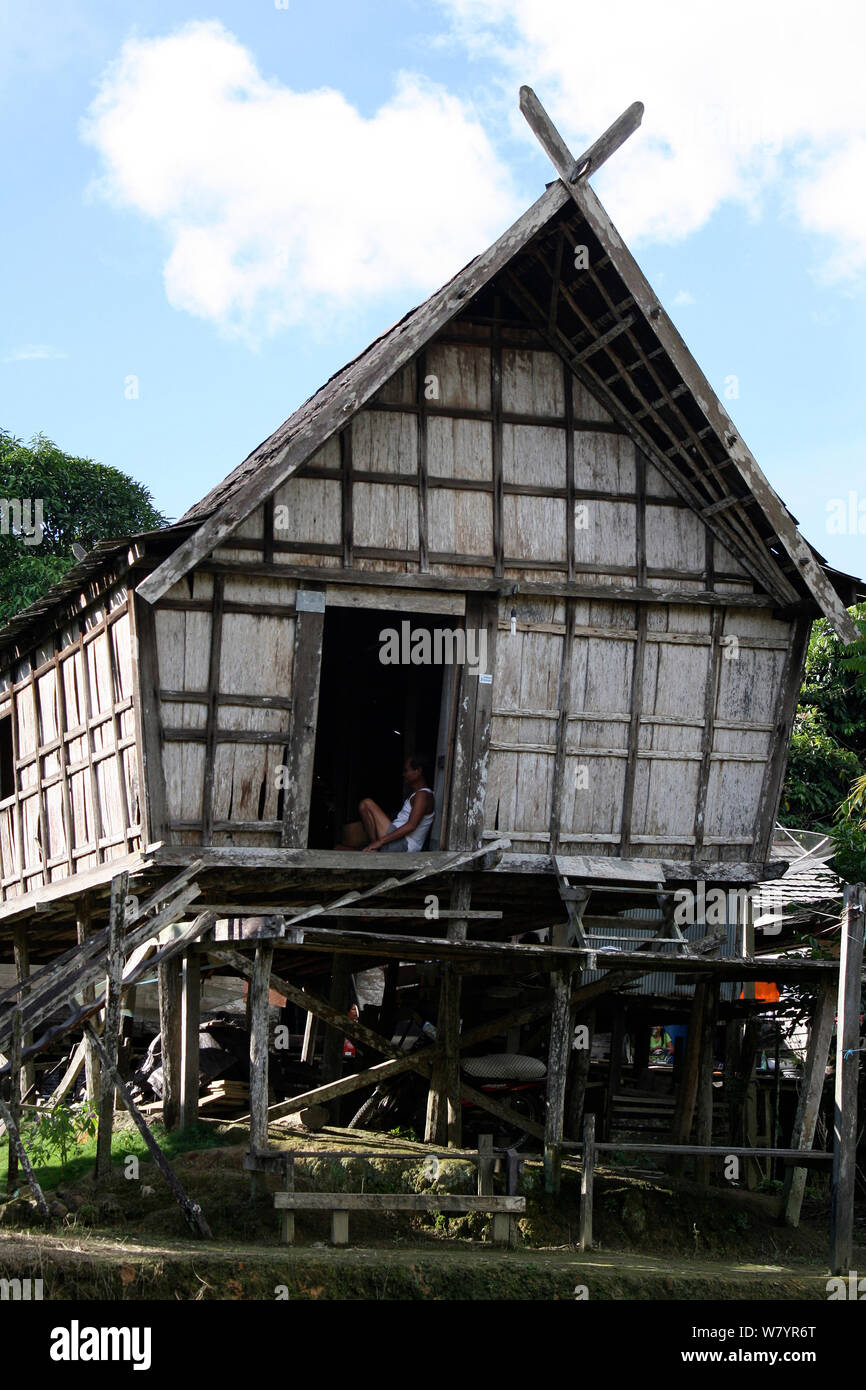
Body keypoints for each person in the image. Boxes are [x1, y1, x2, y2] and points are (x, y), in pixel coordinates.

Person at [359, 754, 435, 853]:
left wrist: (380, 841)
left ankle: (375, 848)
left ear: (418, 771)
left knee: (366, 804)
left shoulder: (423, 795)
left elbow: (411, 825)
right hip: (397, 841)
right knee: (340, 847)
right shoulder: (418, 794)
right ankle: (374, 848)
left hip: (403, 844)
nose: (404, 775)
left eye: (406, 770)